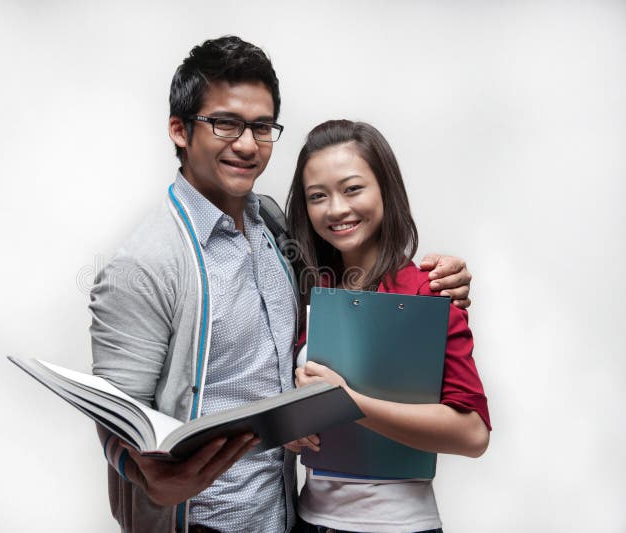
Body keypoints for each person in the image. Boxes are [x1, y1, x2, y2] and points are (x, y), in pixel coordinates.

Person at [89, 37, 473, 533]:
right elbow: (116, 418)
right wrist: (141, 476)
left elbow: (359, 276)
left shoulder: (274, 225)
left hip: (287, 516)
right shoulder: (144, 263)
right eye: (225, 123)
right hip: (202, 521)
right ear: (180, 130)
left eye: (262, 126)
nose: (247, 144)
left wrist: (440, 281)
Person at [284, 120, 491, 533]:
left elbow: (473, 434)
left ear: (385, 189)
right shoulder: (311, 290)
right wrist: (295, 428)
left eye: (352, 188)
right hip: (309, 520)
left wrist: (347, 403)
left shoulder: (427, 291)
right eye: (318, 196)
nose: (337, 208)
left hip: (398, 527)